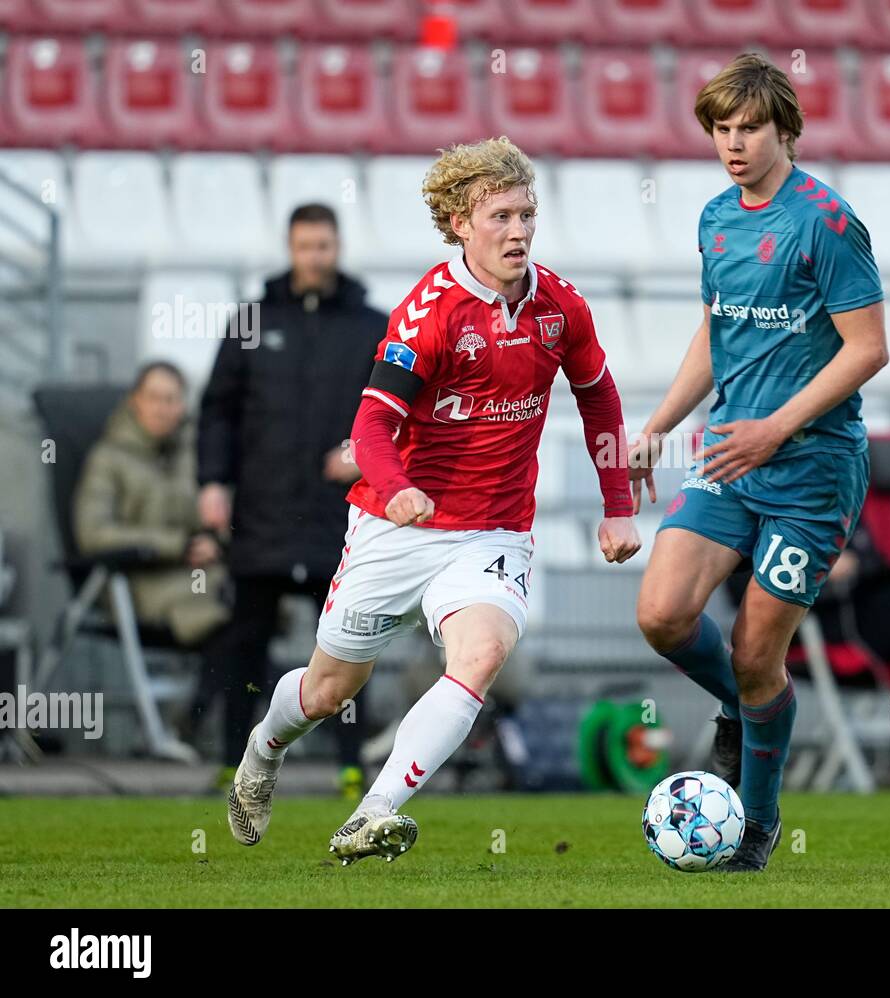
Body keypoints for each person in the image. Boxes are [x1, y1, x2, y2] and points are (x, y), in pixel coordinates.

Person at [224, 137, 641, 862]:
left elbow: (599, 398)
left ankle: (374, 809)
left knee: (480, 656)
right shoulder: (429, 313)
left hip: (493, 533)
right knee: (328, 691)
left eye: (527, 214)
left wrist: (617, 504)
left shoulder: (560, 307)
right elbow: (372, 425)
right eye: (500, 217)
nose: (518, 232)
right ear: (457, 221)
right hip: (395, 526)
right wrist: (398, 488)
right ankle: (263, 749)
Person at [631, 53, 888, 871]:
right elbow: (719, 326)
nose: (733, 144)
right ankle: (748, 710)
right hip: (728, 457)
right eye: (721, 129)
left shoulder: (829, 221)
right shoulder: (714, 217)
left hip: (810, 468)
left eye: (749, 128)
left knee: (754, 654)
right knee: (662, 615)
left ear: (786, 130)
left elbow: (869, 349)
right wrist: (660, 424)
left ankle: (757, 826)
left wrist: (775, 428)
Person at [197, 203, 385, 796]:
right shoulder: (252, 320)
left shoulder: (370, 323)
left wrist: (361, 447)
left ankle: (351, 766)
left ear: (337, 247)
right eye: (305, 246)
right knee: (243, 644)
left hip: (339, 516)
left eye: (324, 246)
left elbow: (397, 405)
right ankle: (233, 760)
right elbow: (217, 411)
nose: (314, 257)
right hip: (262, 515)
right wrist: (211, 482)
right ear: (290, 246)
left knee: (349, 642)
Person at [74, 361, 228, 648]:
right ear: (135, 401)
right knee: (232, 616)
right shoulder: (107, 458)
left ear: (183, 405)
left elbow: (216, 517)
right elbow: (93, 534)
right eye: (154, 398)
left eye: (171, 399)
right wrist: (177, 545)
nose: (162, 408)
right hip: (137, 582)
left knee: (254, 602)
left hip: (202, 576)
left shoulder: (194, 453)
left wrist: (213, 540)